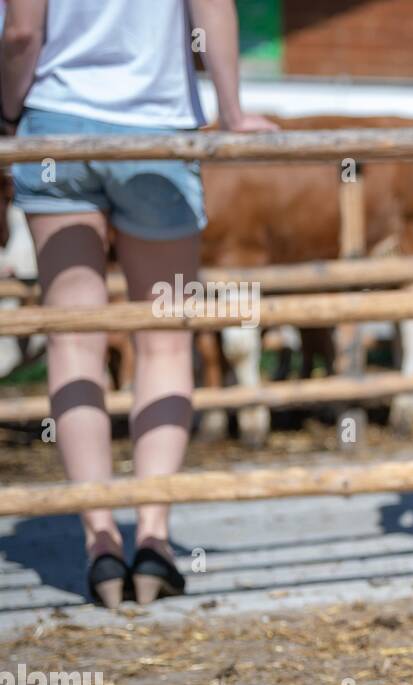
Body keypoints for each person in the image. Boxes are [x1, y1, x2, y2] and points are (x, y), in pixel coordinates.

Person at [0, 0, 277, 607]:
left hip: (57, 129)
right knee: (166, 338)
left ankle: (100, 545)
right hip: (157, 128)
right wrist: (231, 113)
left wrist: (9, 110)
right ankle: (153, 540)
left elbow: (21, 31)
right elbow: (214, 10)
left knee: (75, 340)